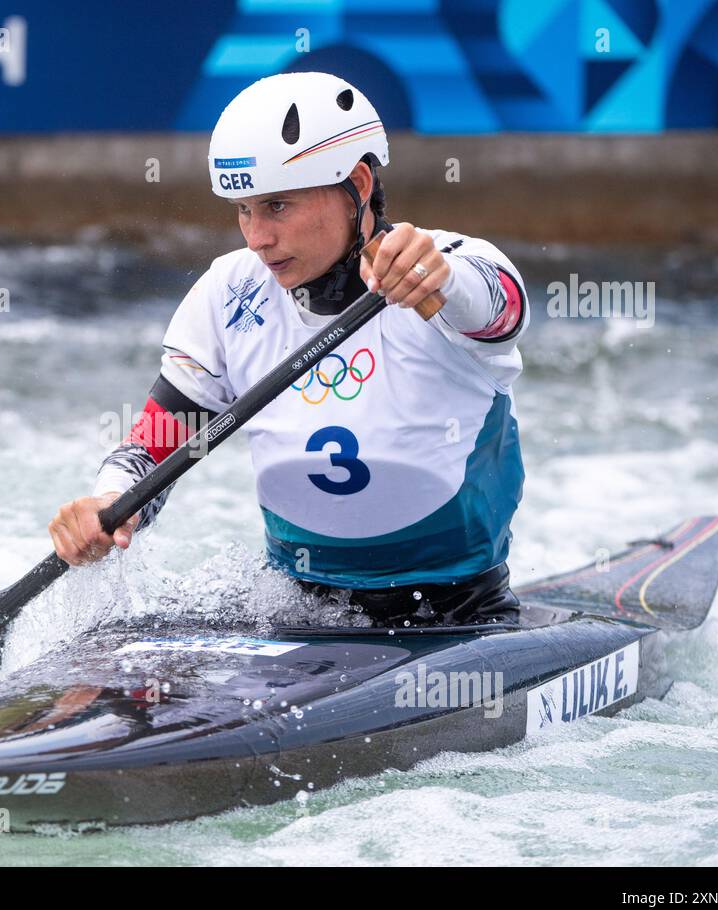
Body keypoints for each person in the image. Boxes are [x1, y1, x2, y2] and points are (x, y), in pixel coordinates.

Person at [48, 71, 528, 627]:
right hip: (292, 608)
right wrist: (106, 504)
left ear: (359, 183)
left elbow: (501, 311)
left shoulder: (448, 268)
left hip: (455, 613)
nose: (256, 237)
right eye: (244, 209)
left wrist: (442, 280)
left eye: (277, 206)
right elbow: (157, 446)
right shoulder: (230, 290)